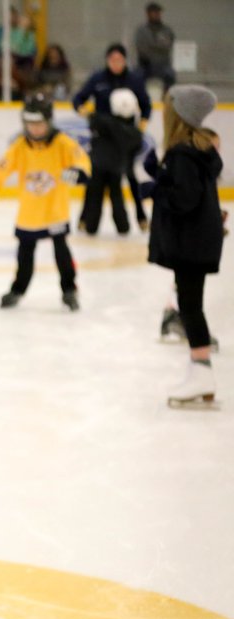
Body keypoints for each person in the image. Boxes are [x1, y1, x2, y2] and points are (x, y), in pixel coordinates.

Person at [0, 93, 91, 311]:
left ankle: (69, 289)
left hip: (55, 210)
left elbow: (81, 159)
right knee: (25, 254)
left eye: (39, 124)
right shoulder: (20, 146)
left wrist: (79, 172)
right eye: (29, 124)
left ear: (49, 121)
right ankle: (18, 289)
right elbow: (2, 168)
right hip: (30, 212)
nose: (34, 129)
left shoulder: (63, 144)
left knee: (61, 252)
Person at [147, 86, 223, 408]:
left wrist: (153, 188)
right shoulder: (196, 150)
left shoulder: (182, 153)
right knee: (191, 305)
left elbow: (184, 200)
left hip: (190, 243)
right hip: (197, 241)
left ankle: (202, 371)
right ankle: (200, 370)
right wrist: (159, 176)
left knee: (190, 307)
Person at [79, 87, 143, 236]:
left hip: (101, 165)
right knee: (114, 196)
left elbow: (94, 121)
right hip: (114, 166)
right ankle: (121, 226)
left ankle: (93, 226)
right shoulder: (129, 130)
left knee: (98, 195)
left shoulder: (104, 122)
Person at [73, 44, 151, 125]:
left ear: (124, 60)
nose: (116, 63)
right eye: (113, 60)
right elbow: (78, 98)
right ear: (107, 60)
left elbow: (145, 104)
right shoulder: (97, 78)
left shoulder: (134, 80)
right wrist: (81, 109)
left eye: (119, 60)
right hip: (102, 127)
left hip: (127, 128)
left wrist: (143, 121)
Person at [135, 3, 176, 92]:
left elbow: (167, 47)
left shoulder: (167, 30)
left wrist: (151, 46)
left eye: (157, 12)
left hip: (163, 65)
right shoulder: (141, 30)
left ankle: (167, 98)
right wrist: (158, 46)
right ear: (148, 14)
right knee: (136, 76)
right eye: (153, 12)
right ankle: (140, 98)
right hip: (146, 65)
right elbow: (141, 49)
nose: (155, 15)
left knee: (170, 74)